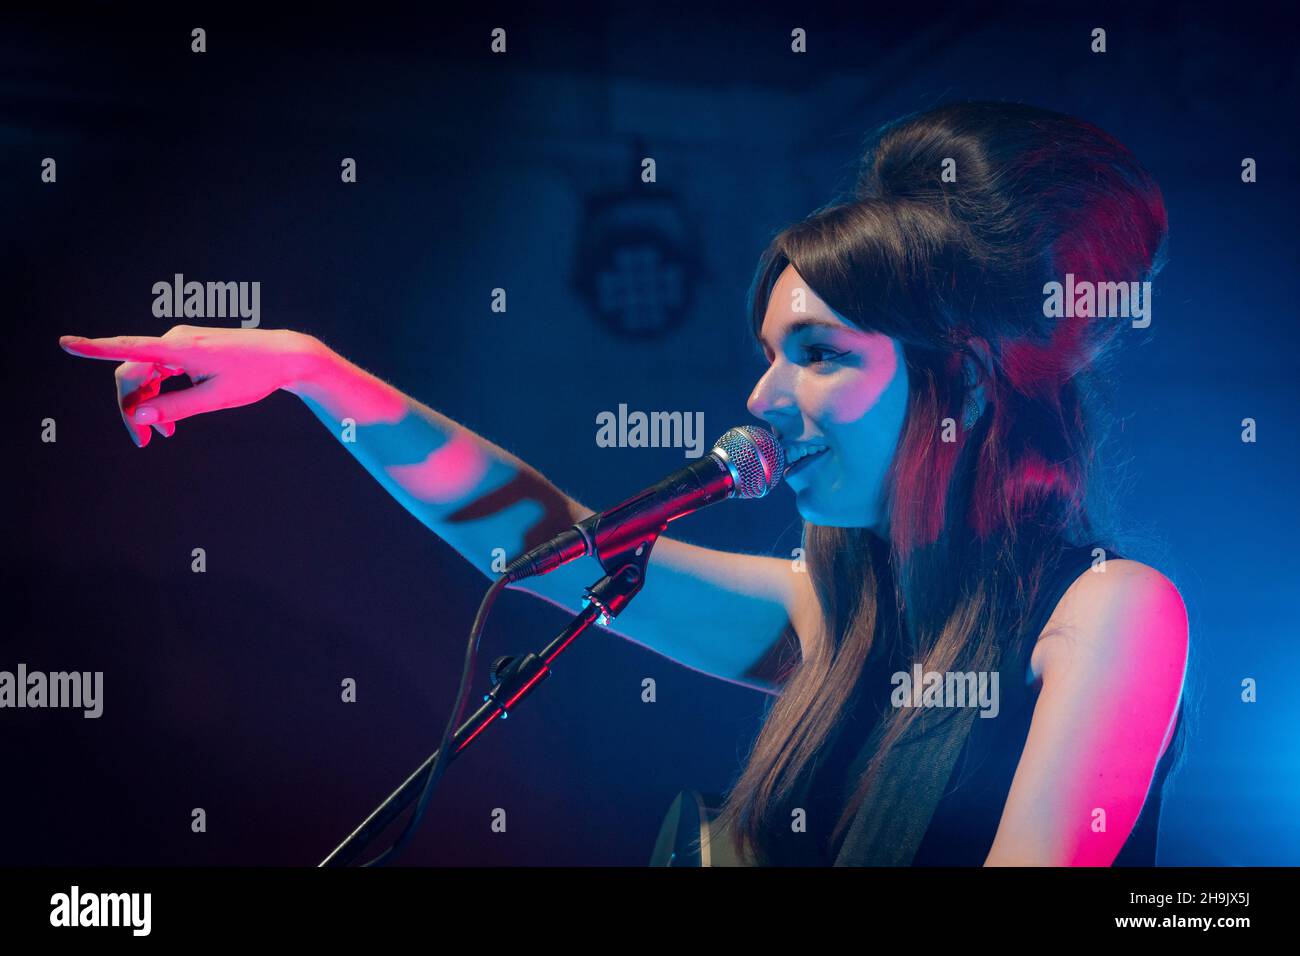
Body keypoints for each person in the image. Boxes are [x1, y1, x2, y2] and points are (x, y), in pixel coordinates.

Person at [59, 100, 1188, 867]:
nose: (761, 395)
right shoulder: (835, 608)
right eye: (768, 350)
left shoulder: (1110, 613)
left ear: (964, 385)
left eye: (820, 351)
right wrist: (317, 375)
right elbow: (546, 545)